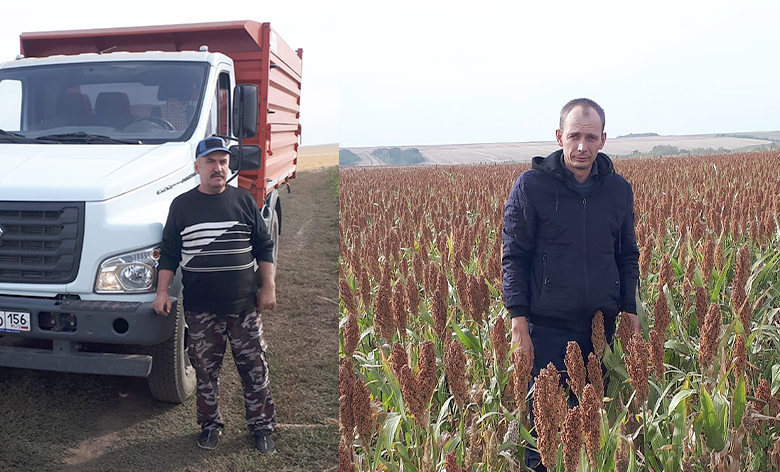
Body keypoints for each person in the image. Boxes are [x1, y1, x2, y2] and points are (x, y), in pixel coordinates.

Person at [502, 98, 640, 471]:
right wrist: (518, 323)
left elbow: (627, 256)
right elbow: (514, 256)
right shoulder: (531, 187)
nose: (582, 146)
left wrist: (630, 310)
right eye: (575, 135)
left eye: (591, 137)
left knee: (594, 437)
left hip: (600, 333)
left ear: (603, 140)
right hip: (547, 330)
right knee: (546, 438)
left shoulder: (618, 190)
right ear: (560, 136)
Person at [152, 136, 278, 454]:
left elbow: (264, 246)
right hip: (200, 310)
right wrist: (162, 292)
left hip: (244, 308)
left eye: (223, 161)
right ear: (197, 167)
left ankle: (262, 428)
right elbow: (168, 254)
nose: (217, 168)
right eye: (210, 162)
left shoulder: (244, 201)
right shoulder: (181, 206)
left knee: (254, 369)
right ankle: (210, 426)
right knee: (206, 372)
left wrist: (269, 287)